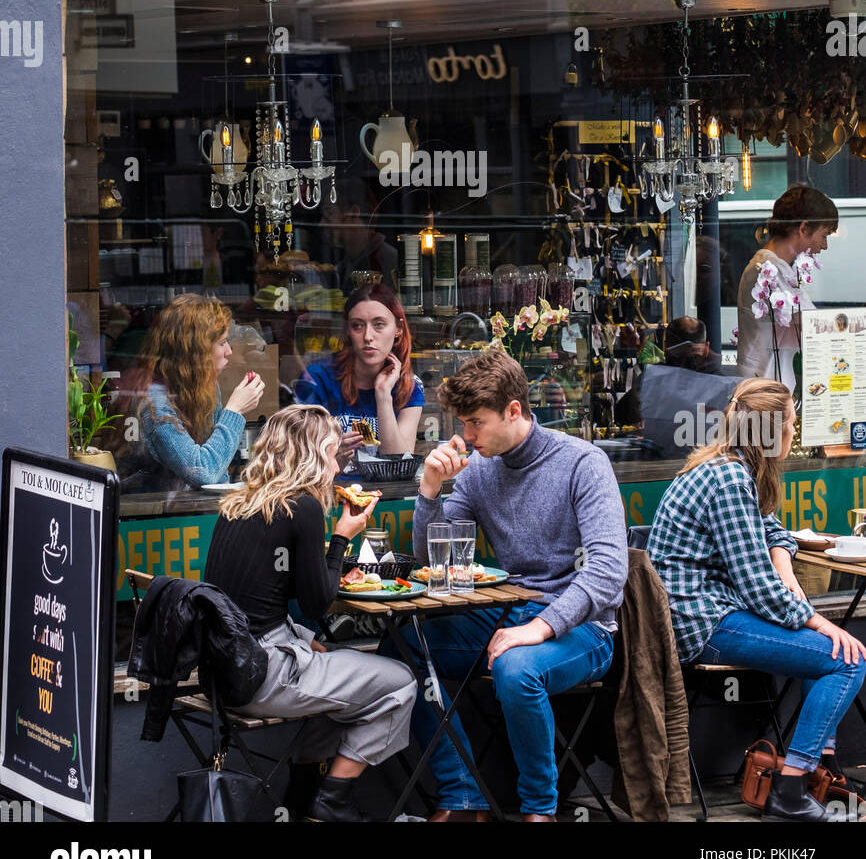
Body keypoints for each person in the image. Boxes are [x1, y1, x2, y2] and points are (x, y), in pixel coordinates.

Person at [394, 348, 628, 822]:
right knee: (404, 644)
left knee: (517, 669)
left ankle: (539, 811)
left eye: (476, 422)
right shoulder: (478, 469)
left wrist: (539, 627)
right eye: (462, 424)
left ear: (514, 411)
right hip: (507, 615)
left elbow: (607, 571)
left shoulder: (583, 462)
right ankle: (463, 795)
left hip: (583, 627)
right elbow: (433, 563)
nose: (466, 435)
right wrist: (431, 490)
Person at [648, 377, 866, 823]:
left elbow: (771, 530)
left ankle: (819, 770)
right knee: (846, 658)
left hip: (713, 609)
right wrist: (818, 621)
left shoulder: (726, 464)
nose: (794, 432)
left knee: (825, 653)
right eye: (790, 423)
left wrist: (785, 564)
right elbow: (757, 588)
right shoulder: (729, 477)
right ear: (771, 428)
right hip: (702, 620)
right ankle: (790, 788)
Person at [203, 404, 417, 822]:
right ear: (312, 455)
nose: (338, 469)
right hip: (262, 675)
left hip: (222, 671)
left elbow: (255, 602)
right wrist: (341, 536)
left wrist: (305, 639)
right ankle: (332, 800)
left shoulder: (236, 504)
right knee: (401, 683)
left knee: (335, 679)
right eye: (333, 455)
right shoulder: (302, 507)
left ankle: (302, 802)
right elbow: (318, 602)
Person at [112, 294, 264, 491]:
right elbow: (201, 472)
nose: (229, 351)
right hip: (148, 518)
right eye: (221, 343)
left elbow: (218, 471)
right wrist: (234, 411)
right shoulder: (153, 403)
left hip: (188, 513)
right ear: (196, 351)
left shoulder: (205, 388)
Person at [294, 283, 424, 462]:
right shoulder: (318, 378)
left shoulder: (409, 386)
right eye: (358, 326)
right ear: (348, 330)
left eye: (379, 324)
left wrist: (383, 395)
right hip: (331, 488)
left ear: (398, 329)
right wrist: (330, 454)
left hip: (388, 489)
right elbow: (298, 456)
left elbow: (400, 461)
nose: (368, 336)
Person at [736, 185, 838, 390]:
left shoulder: (775, 267)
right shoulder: (767, 269)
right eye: (824, 235)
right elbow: (812, 324)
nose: (824, 245)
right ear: (803, 228)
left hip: (767, 388)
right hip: (764, 392)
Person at [319, 179, 398, 294]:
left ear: (354, 212)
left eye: (329, 213)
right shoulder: (344, 264)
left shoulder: (387, 261)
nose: (322, 223)